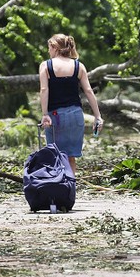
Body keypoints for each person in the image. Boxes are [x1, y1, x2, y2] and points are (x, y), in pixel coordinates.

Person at [38, 33, 103, 175]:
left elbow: (44, 90)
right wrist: (97, 116)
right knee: (71, 158)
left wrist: (44, 115)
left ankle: (59, 189)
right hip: (75, 115)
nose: (48, 51)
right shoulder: (78, 66)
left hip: (56, 116)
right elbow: (88, 91)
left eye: (49, 47)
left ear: (55, 47)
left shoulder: (46, 66)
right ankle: (70, 190)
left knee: (56, 156)